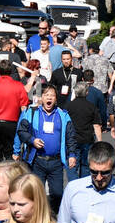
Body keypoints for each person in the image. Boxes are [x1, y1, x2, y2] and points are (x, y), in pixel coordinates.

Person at [15, 85, 78, 213]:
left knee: (57, 194)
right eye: (46, 95)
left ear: (56, 99)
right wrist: (32, 140)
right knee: (36, 193)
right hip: (37, 160)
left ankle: (54, 219)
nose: (49, 98)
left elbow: (71, 136)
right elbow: (21, 131)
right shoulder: (32, 113)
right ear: (41, 98)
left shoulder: (63, 115)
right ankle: (36, 219)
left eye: (52, 95)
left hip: (56, 162)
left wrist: (72, 154)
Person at [0, 60, 30, 164]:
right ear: (11, 71)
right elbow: (24, 108)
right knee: (10, 156)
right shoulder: (18, 86)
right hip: (11, 124)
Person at [62, 81, 103, 180]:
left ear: (75, 92)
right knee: (85, 165)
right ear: (87, 93)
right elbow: (96, 126)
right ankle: (84, 186)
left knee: (72, 166)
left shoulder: (68, 106)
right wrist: (100, 141)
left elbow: (64, 123)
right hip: (87, 139)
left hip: (72, 140)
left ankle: (73, 185)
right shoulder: (91, 106)